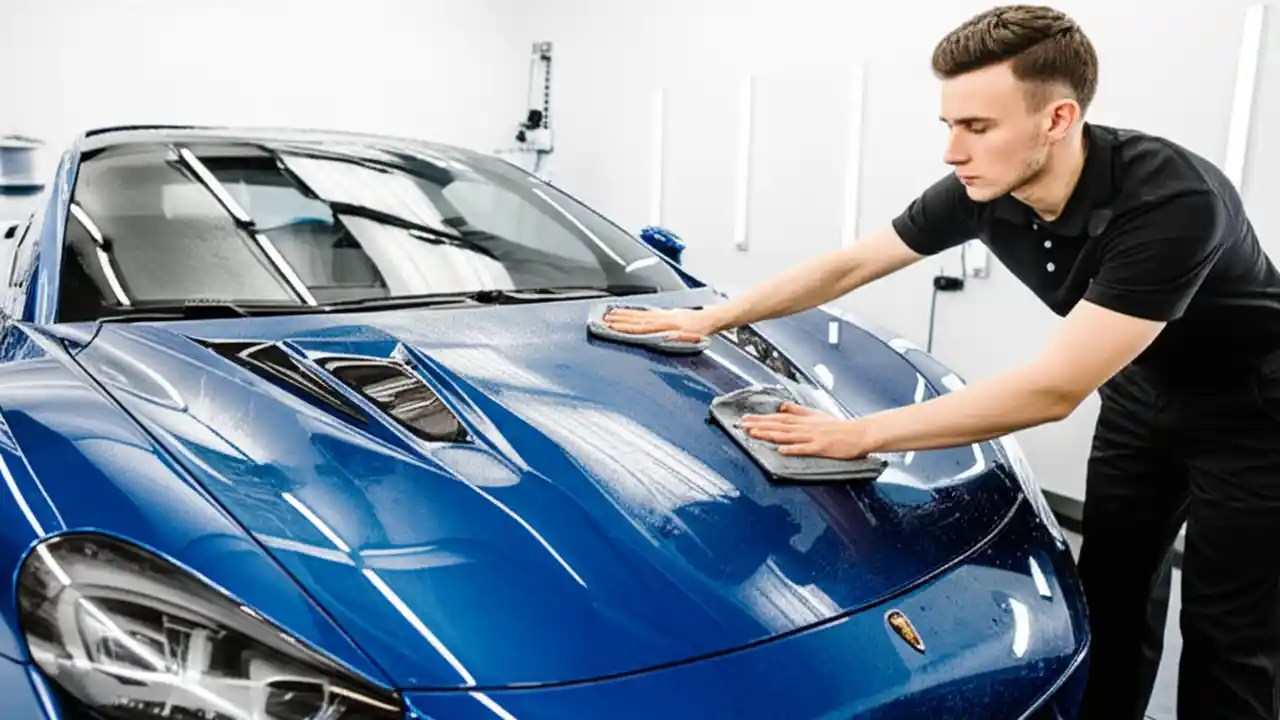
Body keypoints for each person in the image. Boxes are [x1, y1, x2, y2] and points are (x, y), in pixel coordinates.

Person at [603, 5, 1280, 719]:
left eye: (977, 128)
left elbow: (1052, 390)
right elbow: (855, 263)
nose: (953, 153)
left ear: (1056, 119)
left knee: (1228, 627)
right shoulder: (985, 191)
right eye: (949, 126)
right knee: (1111, 587)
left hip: (1255, 410)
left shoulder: (1172, 201)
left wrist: (858, 435)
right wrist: (708, 316)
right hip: (1141, 396)